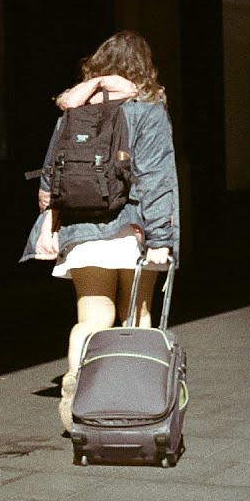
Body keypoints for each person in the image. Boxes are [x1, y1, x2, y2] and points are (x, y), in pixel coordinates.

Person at [20, 30, 181, 431]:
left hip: (81, 231)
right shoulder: (148, 111)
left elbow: (48, 184)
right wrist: (161, 239)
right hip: (132, 231)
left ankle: (77, 381)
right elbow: (156, 178)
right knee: (136, 314)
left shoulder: (75, 110)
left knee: (92, 316)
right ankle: (131, 396)